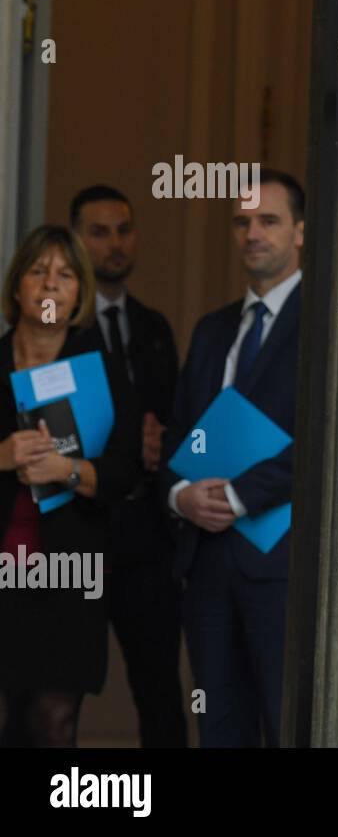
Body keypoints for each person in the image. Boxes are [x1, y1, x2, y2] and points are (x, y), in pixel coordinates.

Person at [159, 170, 304, 747]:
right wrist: (179, 494)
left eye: (268, 220)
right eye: (242, 222)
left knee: (286, 718)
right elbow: (179, 435)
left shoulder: (325, 327)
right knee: (218, 727)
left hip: (284, 566)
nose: (252, 233)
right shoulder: (212, 329)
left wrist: (239, 496)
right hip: (208, 564)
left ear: (300, 231)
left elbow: (325, 442)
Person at [0, 226, 141, 746]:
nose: (50, 286)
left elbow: (128, 470)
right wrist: (2, 455)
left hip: (69, 572)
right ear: (17, 287)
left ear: (80, 292)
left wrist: (70, 471)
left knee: (52, 720)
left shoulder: (100, 369)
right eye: (38, 272)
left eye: (64, 275)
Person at [71, 185, 186, 748]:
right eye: (99, 232)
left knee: (160, 688)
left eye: (124, 229)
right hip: (76, 530)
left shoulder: (154, 328)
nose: (115, 244)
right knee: (55, 691)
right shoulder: (61, 330)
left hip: (146, 535)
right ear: (76, 242)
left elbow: (176, 420)